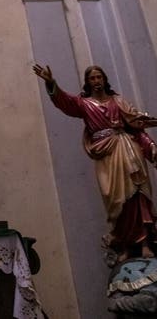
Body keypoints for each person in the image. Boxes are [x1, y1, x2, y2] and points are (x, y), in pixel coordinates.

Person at [33, 63, 157, 259]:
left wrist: (151, 147)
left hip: (128, 150)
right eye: (92, 78)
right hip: (106, 156)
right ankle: (124, 245)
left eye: (99, 77)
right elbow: (66, 102)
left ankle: (145, 244)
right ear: (87, 82)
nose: (96, 81)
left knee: (137, 194)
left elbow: (136, 125)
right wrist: (51, 83)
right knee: (116, 199)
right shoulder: (84, 104)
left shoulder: (118, 101)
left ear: (104, 80)